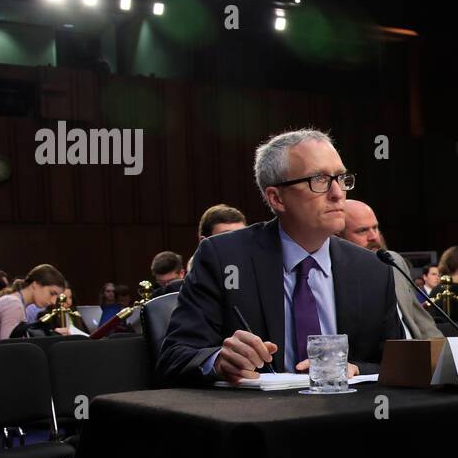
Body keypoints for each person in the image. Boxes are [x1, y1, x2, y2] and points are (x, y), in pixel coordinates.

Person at [157, 128, 401, 386]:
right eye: (319, 180)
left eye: (341, 178)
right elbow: (174, 357)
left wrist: (353, 368)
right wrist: (218, 360)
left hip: (348, 417)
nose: (338, 193)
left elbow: (396, 362)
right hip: (260, 419)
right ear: (276, 198)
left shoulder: (373, 268)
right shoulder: (223, 258)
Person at [341, 199, 442, 339]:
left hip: (415, 353)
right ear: (338, 237)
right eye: (362, 231)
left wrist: (444, 353)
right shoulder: (336, 276)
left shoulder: (395, 262)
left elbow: (421, 319)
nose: (374, 237)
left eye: (375, 228)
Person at [0, 265, 68, 341]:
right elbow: (7, 348)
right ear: (35, 285)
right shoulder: (13, 304)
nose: (53, 301)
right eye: (52, 293)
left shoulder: (16, 302)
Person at [187, 205, 248, 276]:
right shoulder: (188, 284)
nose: (236, 244)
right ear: (203, 243)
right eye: (227, 238)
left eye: (241, 236)